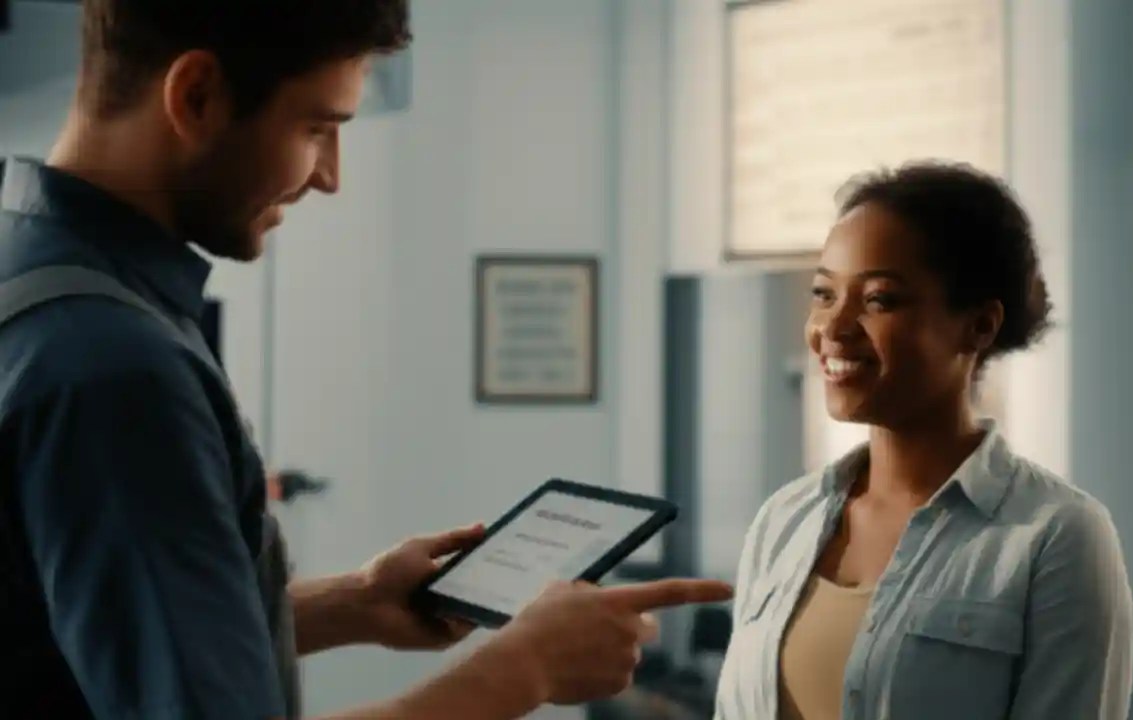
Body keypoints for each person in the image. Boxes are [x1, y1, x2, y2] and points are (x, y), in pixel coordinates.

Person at [0, 1, 731, 718]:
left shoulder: (32, 268)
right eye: (318, 128)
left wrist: (354, 604)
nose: (329, 176)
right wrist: (524, 670)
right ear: (196, 96)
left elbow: (83, 624)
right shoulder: (119, 368)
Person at [713, 163, 1133, 719]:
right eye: (823, 293)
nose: (833, 328)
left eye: (880, 300)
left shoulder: (1055, 536)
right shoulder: (783, 519)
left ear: (979, 326)